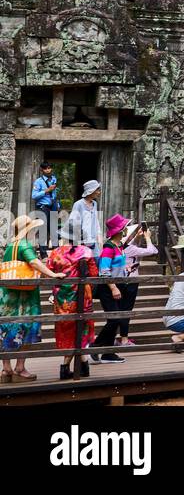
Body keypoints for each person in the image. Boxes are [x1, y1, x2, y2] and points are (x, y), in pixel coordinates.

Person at [1, 214, 65, 383]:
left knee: (6, 327)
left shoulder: (10, 245)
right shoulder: (25, 245)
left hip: (8, 294)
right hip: (26, 295)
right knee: (28, 326)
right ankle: (20, 368)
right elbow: (35, 262)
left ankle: (6, 368)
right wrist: (53, 274)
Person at [46, 237, 97, 379]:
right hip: (82, 295)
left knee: (66, 328)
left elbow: (48, 271)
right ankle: (82, 366)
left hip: (62, 296)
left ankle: (66, 367)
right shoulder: (86, 251)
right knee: (83, 327)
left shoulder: (55, 253)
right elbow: (93, 274)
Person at [88, 213, 130, 362]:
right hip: (108, 288)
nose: (126, 229)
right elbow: (104, 271)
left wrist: (127, 270)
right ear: (120, 230)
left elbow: (117, 266)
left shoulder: (120, 246)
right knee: (114, 319)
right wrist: (113, 288)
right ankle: (95, 346)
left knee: (116, 319)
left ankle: (108, 353)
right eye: (124, 227)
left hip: (119, 285)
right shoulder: (108, 248)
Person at [117, 224, 157, 347]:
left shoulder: (118, 247)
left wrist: (137, 237)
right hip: (131, 282)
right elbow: (153, 251)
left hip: (120, 280)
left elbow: (129, 245)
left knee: (119, 309)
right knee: (127, 310)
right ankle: (124, 339)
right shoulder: (131, 249)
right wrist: (147, 237)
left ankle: (118, 337)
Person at [30, 161, 59, 256]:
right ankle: (43, 255)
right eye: (46, 168)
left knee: (54, 229)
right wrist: (47, 190)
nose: (48, 170)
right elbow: (34, 196)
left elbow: (55, 193)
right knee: (43, 230)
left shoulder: (54, 179)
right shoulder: (38, 181)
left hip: (53, 206)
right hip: (43, 207)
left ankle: (57, 254)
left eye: (49, 168)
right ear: (42, 170)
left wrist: (57, 204)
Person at [65, 180, 102, 252]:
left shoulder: (95, 204)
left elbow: (95, 221)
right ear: (91, 191)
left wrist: (99, 235)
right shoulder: (78, 204)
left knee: (96, 260)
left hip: (92, 240)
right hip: (81, 241)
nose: (99, 192)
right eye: (97, 190)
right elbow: (73, 223)